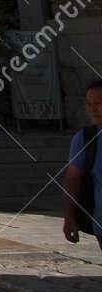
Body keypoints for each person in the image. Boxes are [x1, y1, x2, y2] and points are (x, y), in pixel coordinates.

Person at [62, 79, 102, 249]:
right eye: (89, 103)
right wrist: (69, 217)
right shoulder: (85, 138)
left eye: (99, 104)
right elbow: (73, 179)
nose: (93, 109)